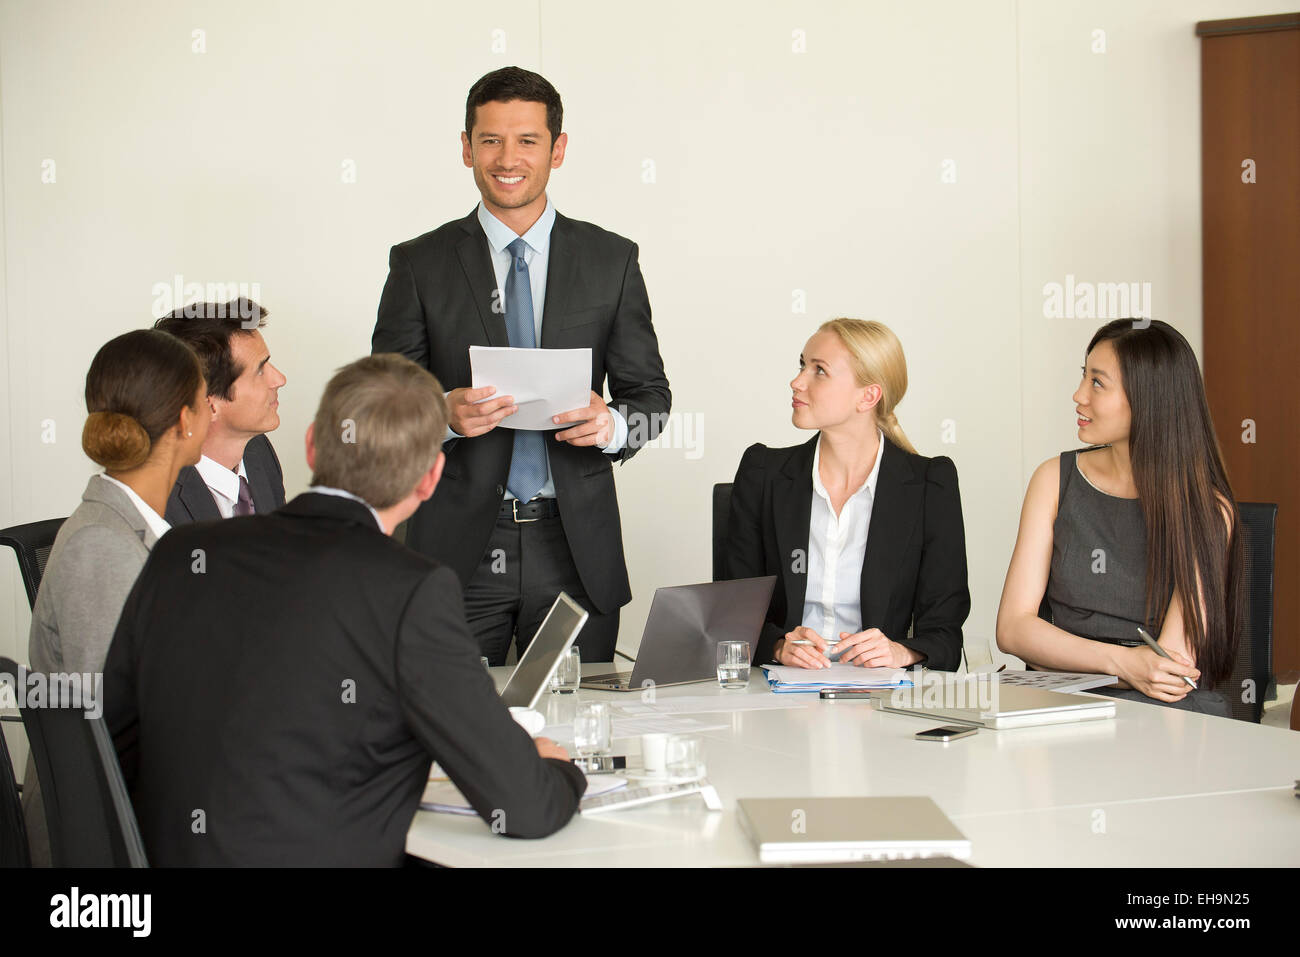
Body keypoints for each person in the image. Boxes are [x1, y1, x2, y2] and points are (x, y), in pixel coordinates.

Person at [102, 354, 586, 866]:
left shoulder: (180, 552)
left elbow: (113, 740)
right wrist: (557, 769)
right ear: (430, 477)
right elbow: (526, 810)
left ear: (312, 445)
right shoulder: (413, 589)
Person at [372, 66, 671, 665]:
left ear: (557, 150)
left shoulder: (611, 259)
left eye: (528, 141)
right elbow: (380, 408)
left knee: (579, 732)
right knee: (442, 731)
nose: (508, 158)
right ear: (466, 148)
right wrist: (444, 416)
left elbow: (651, 399)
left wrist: (612, 426)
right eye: (490, 140)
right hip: (455, 550)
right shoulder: (418, 263)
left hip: (574, 545)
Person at [24, 328, 208, 865]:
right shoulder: (102, 547)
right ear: (184, 419)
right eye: (203, 401)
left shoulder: (138, 530)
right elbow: (117, 736)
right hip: (108, 843)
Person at [995, 319, 1243, 715]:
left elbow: (1170, 672)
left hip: (1157, 710)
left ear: (1148, 399)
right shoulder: (1053, 480)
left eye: (1097, 382)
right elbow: (1013, 628)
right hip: (1056, 696)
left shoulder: (1208, 510)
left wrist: (1062, 653)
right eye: (1083, 376)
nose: (1078, 395)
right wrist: (1123, 662)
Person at [725, 319, 970, 671]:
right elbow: (731, 616)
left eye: (819, 370)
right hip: (776, 693)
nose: (797, 382)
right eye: (802, 364)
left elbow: (945, 635)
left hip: (877, 699)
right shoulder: (762, 472)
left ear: (868, 396)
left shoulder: (931, 485)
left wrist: (901, 652)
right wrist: (777, 647)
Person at [154, 298, 287, 522]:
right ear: (209, 405)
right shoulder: (158, 504)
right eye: (260, 370)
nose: (280, 379)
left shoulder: (258, 451)